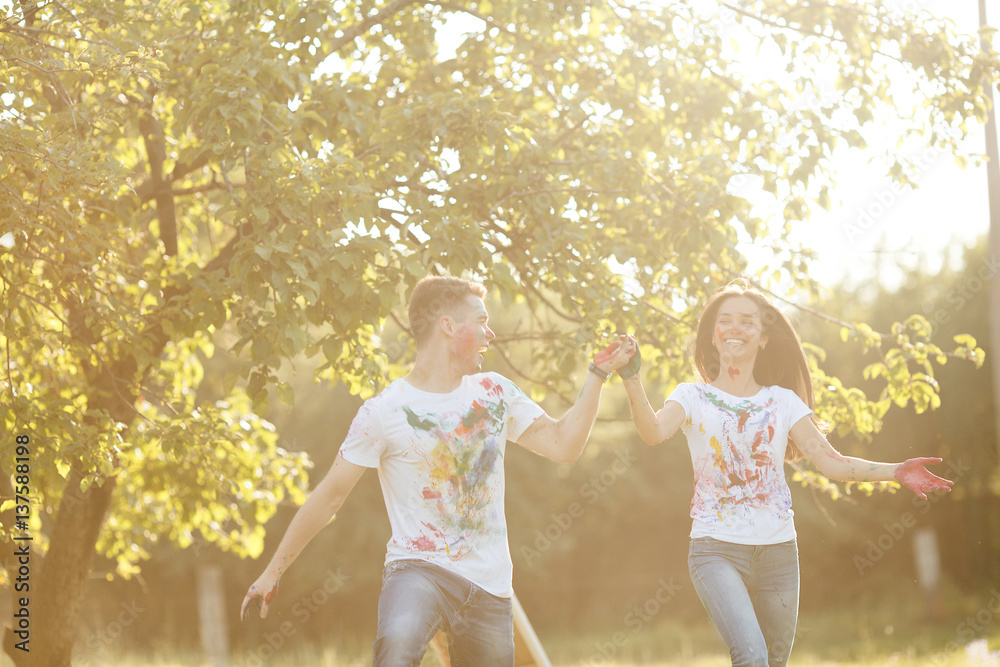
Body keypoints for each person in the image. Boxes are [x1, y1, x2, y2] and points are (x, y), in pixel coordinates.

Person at [240, 275, 636, 666]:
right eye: (480, 320)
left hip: (489, 585)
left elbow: (563, 445)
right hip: (419, 571)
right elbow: (329, 497)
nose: (490, 332)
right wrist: (272, 572)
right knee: (396, 646)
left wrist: (597, 376)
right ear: (447, 326)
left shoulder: (494, 393)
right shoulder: (385, 412)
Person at [618, 280, 953, 667]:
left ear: (763, 338)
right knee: (752, 656)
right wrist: (631, 378)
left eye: (747, 321)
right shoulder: (692, 396)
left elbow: (830, 462)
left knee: (775, 662)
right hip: (715, 548)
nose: (735, 328)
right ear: (713, 335)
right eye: (725, 320)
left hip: (778, 553)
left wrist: (896, 471)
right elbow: (653, 431)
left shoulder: (782, 402)